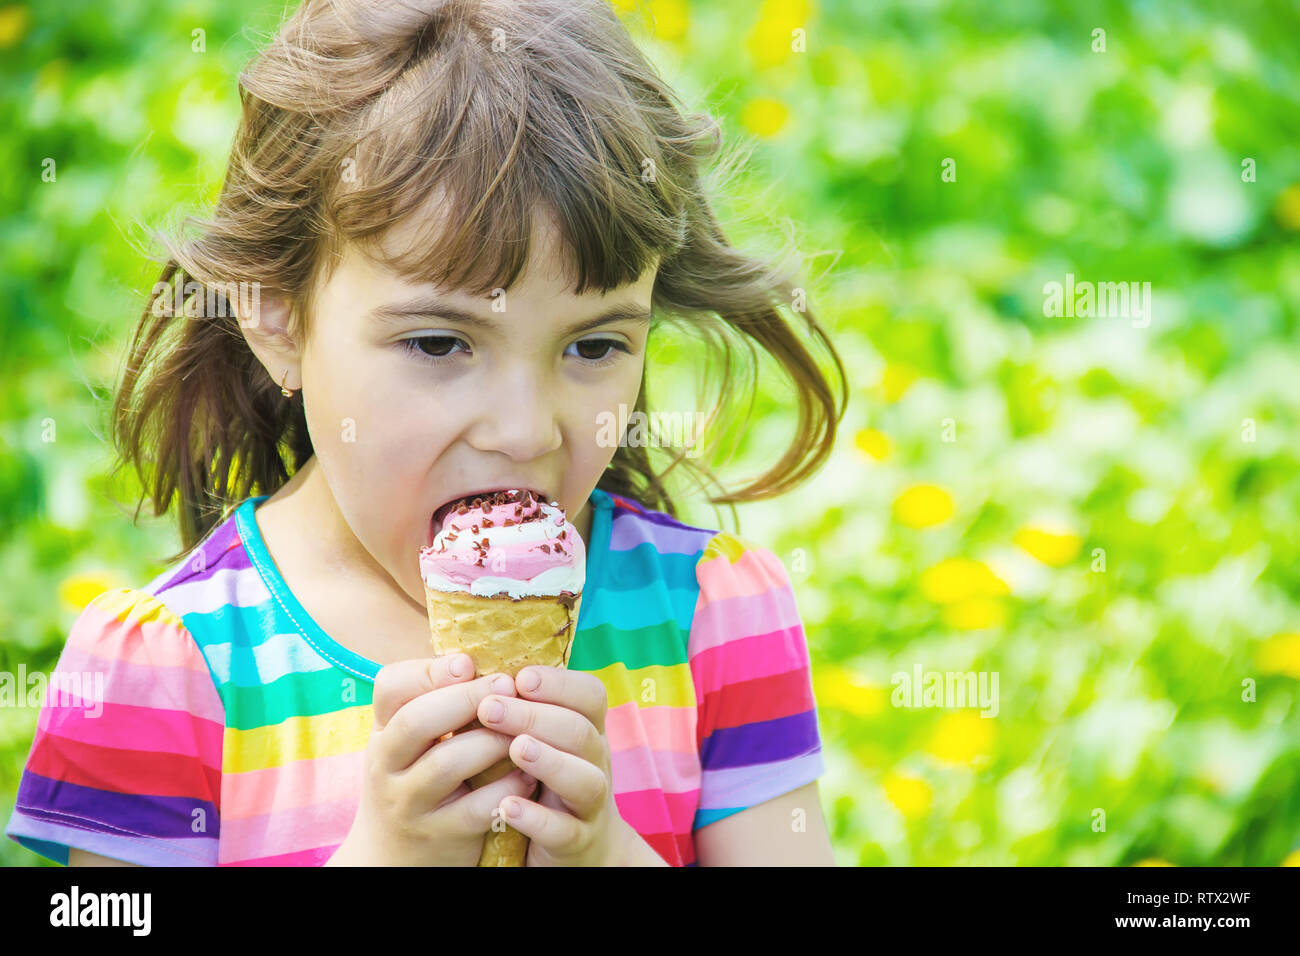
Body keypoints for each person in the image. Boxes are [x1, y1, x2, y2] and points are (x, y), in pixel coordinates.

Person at [6, 0, 847, 866]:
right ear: (276, 318)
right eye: (439, 343)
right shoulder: (160, 677)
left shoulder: (713, 623)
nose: (525, 432)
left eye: (594, 345)